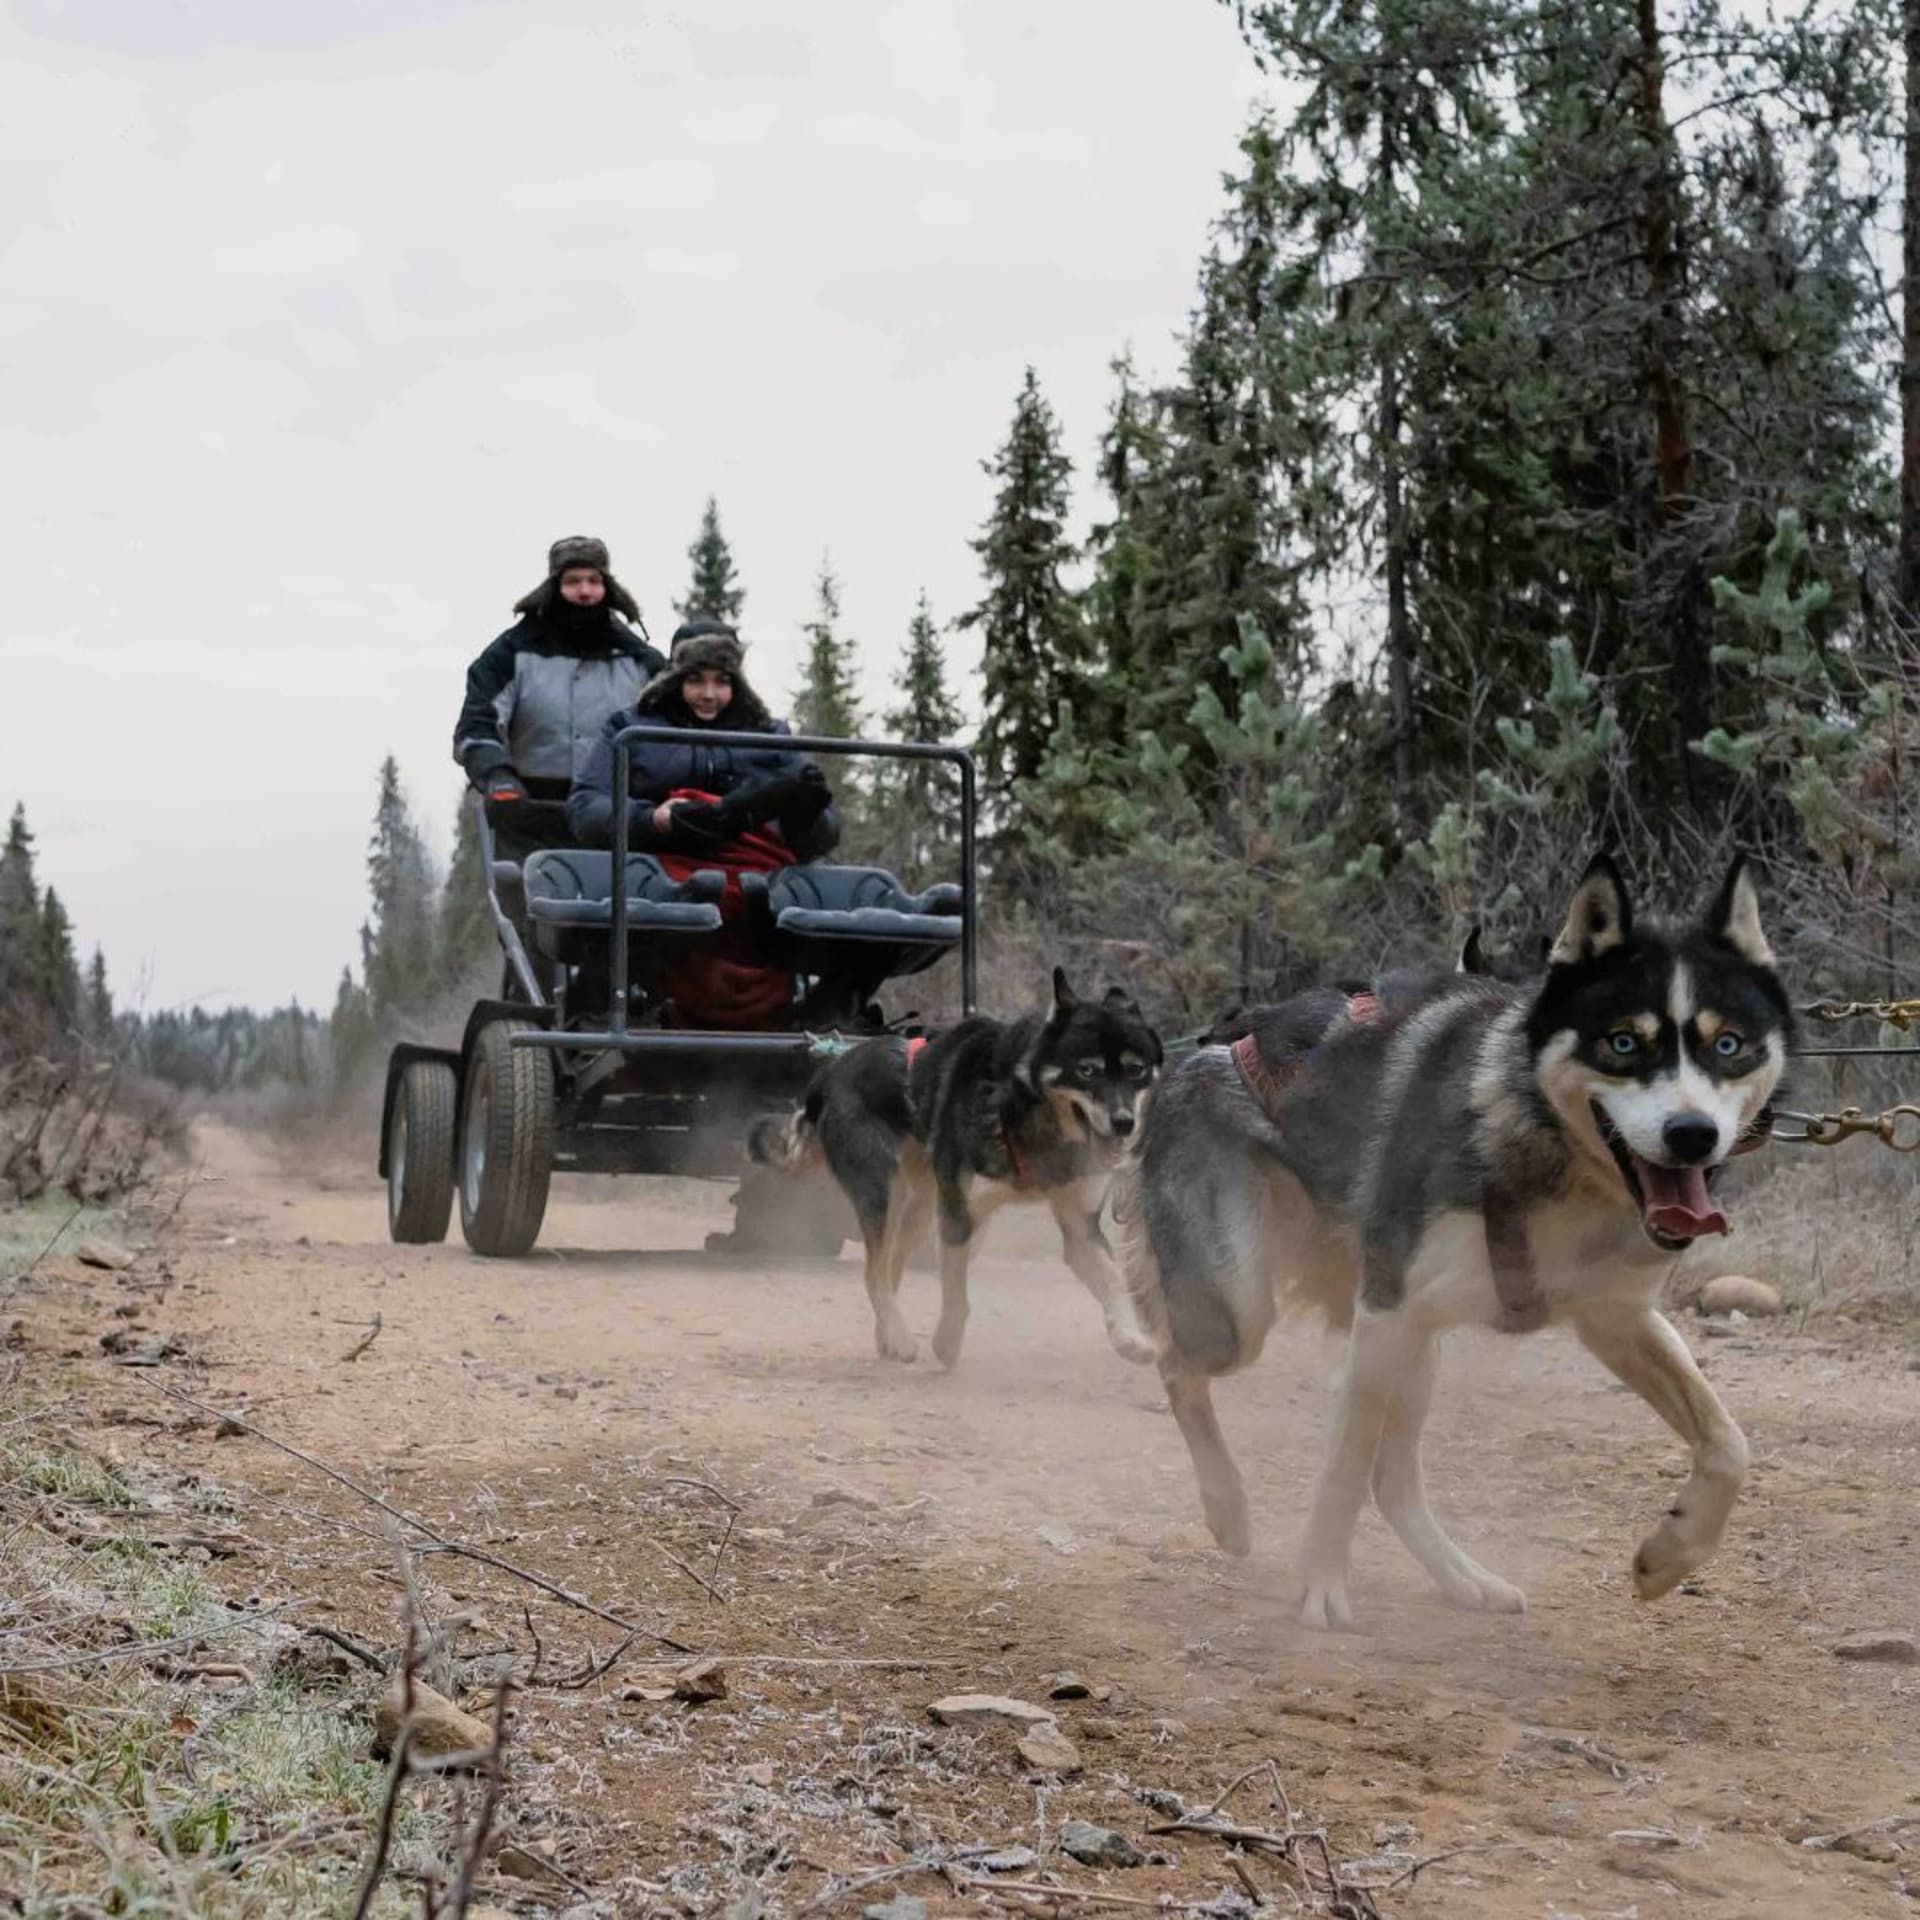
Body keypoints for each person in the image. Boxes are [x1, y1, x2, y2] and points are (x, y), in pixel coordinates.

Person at [452, 535, 666, 861]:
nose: (584, 591)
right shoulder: (509, 655)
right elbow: (477, 727)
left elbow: (669, 730)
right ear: (554, 586)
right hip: (529, 818)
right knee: (533, 906)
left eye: (594, 581)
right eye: (573, 581)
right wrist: (497, 775)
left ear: (607, 588)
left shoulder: (641, 662)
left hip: (616, 820)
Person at [567, 620, 840, 865]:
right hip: (654, 869)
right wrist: (650, 819)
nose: (709, 694)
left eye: (722, 682)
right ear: (675, 680)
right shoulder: (631, 729)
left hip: (755, 871)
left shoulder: (768, 735)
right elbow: (587, 806)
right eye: (695, 680)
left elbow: (825, 828)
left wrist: (804, 821)